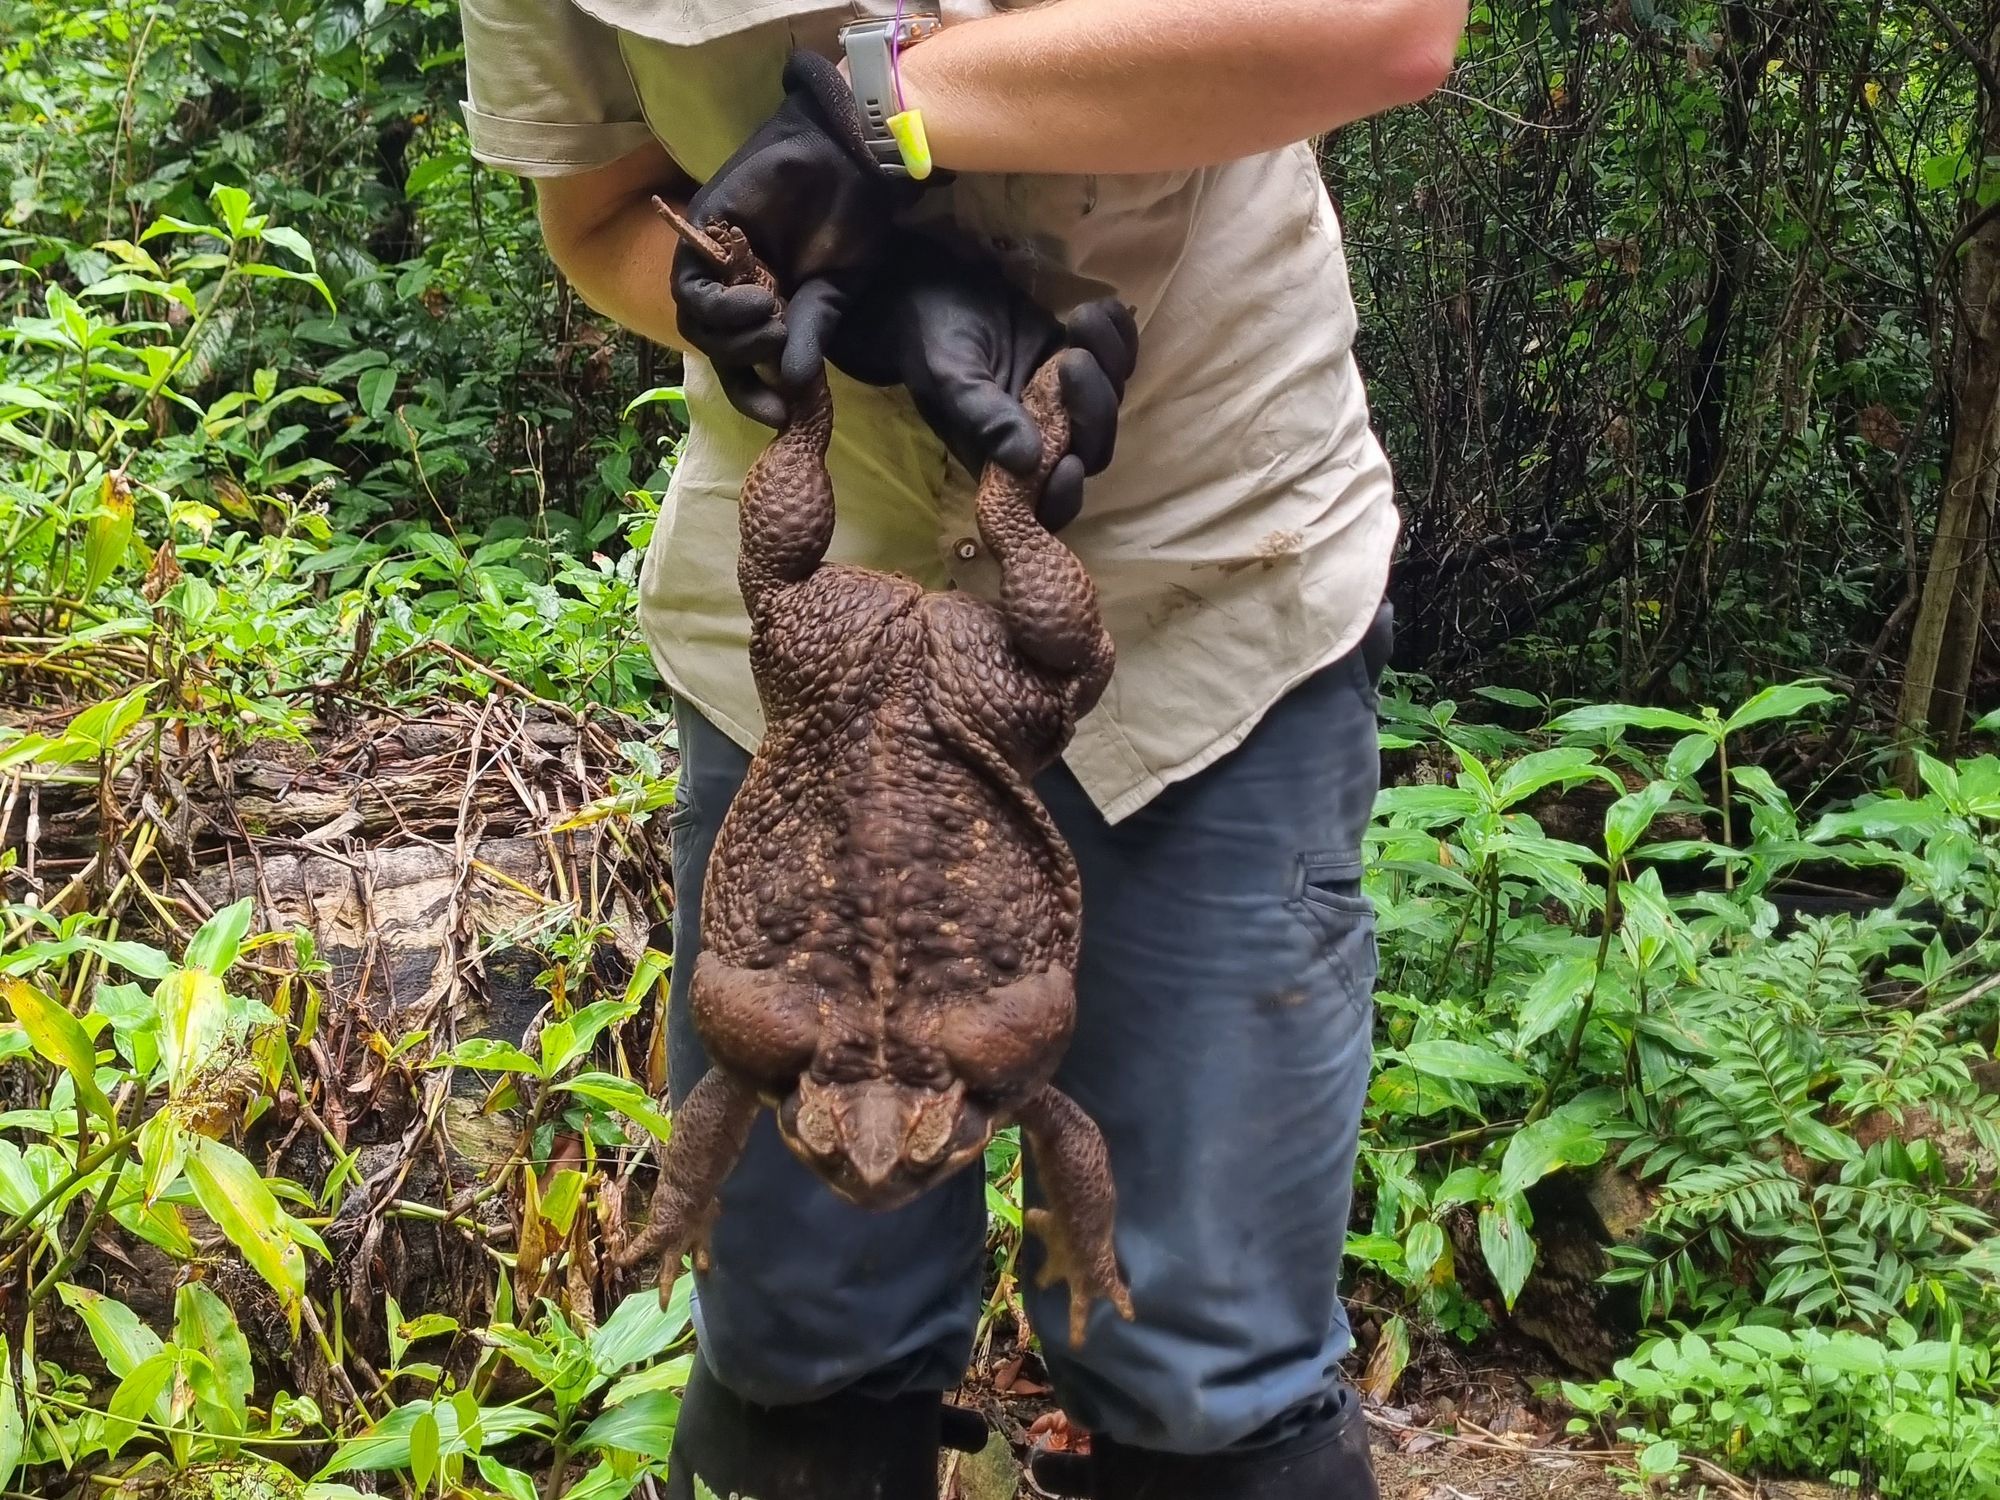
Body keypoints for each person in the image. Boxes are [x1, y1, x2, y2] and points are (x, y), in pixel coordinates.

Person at [458, 0, 1462, 1492]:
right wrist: (750, 307)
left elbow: (1385, 27)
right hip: (808, 649)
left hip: (1199, 585)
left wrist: (885, 111)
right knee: (797, 1343)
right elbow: (597, 213)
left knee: (1209, 1371)